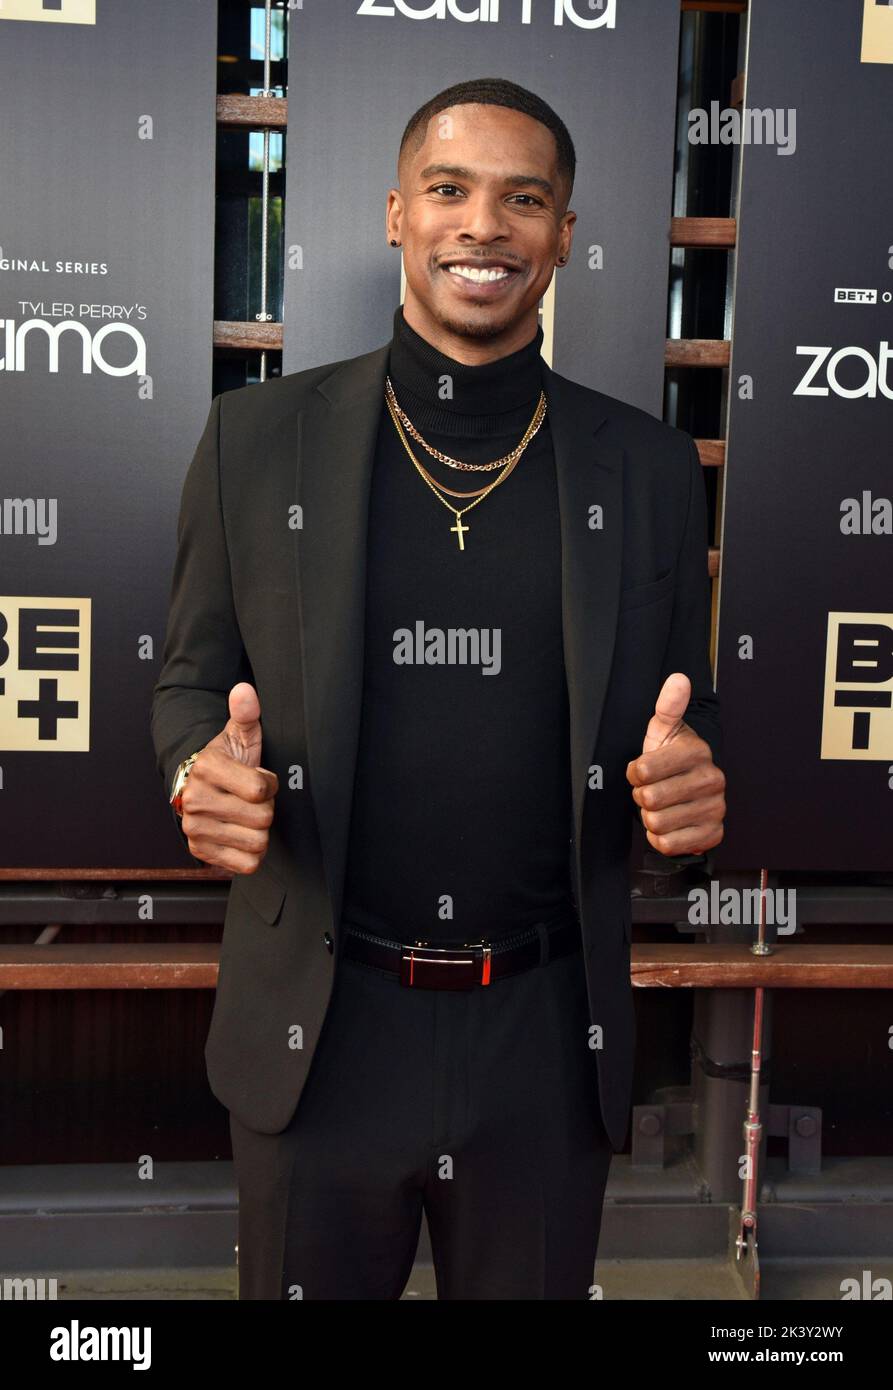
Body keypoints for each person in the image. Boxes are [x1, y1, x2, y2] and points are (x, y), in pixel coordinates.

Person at [151, 76, 725, 1300]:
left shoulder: (651, 469)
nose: (484, 225)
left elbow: (687, 724)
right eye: (450, 191)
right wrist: (200, 770)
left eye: (523, 199)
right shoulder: (256, 444)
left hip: (542, 1032)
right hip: (323, 1023)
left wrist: (689, 795)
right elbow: (191, 687)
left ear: (563, 234)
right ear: (396, 214)